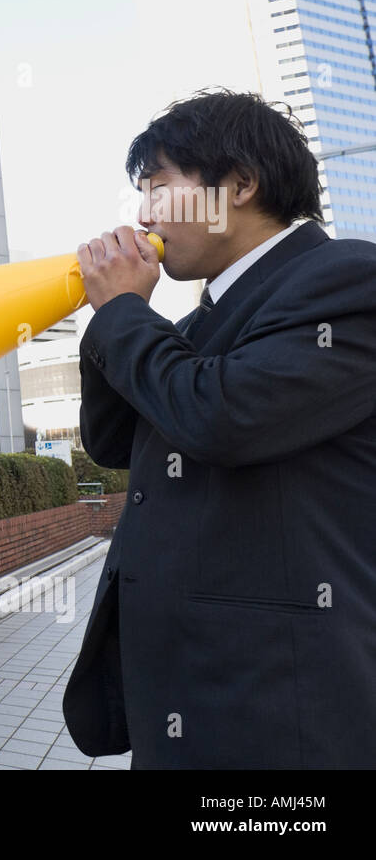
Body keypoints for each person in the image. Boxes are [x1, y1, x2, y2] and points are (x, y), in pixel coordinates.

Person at [62, 90, 376, 768]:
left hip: (281, 713)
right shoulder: (198, 323)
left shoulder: (349, 280)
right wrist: (110, 317)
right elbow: (115, 442)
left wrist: (124, 315)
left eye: (157, 186)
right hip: (186, 703)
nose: (141, 213)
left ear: (239, 183)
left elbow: (219, 417)